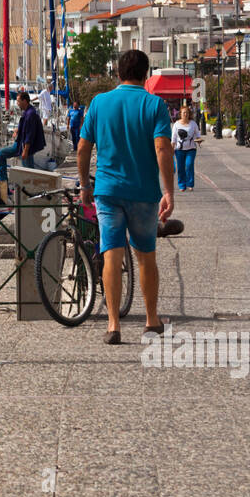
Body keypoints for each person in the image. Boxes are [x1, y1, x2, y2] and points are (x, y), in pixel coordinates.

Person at [77, 49, 174, 346]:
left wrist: (84, 185)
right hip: (143, 192)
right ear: (146, 75)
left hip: (108, 191)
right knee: (145, 257)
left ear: (118, 73)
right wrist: (169, 190)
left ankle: (114, 324)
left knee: (112, 254)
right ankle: (151, 320)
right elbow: (162, 149)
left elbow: (82, 149)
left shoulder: (99, 103)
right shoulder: (154, 104)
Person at [0, 90, 46, 193]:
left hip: (23, 146)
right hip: (21, 144)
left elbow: (29, 135)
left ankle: (3, 181)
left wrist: (25, 150)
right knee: (29, 169)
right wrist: (18, 130)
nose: (17, 103)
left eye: (18, 101)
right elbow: (26, 128)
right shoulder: (29, 111)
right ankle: (31, 190)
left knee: (2, 154)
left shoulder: (30, 114)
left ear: (25, 101)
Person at [171, 103, 202, 191]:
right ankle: (182, 185)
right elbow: (173, 138)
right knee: (180, 167)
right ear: (180, 114)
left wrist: (199, 140)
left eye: (187, 112)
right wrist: (171, 149)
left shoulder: (193, 124)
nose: (186, 114)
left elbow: (197, 135)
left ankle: (190, 184)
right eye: (184, 113)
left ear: (189, 114)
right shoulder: (176, 124)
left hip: (191, 149)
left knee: (189, 165)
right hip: (179, 150)